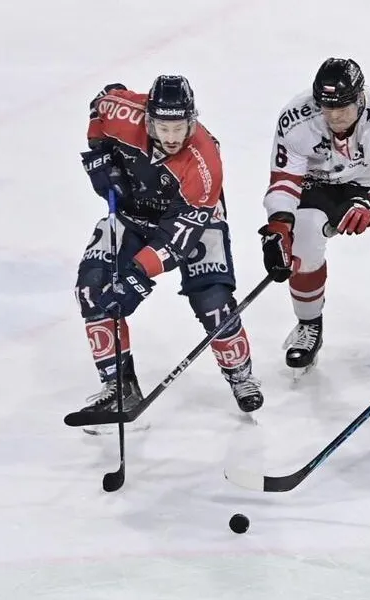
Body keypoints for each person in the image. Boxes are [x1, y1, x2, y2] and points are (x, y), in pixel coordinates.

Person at [76, 75, 263, 432]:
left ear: (192, 121)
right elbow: (100, 104)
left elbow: (178, 240)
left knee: (213, 299)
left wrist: (138, 273)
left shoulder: (204, 165)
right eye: (163, 126)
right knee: (92, 288)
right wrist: (99, 156)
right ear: (148, 119)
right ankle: (119, 386)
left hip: (193, 220)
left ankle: (240, 374)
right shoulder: (123, 114)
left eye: (180, 127)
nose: (172, 136)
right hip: (133, 214)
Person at [258, 57, 370, 375]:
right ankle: (308, 326)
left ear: (360, 97)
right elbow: (284, 180)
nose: (333, 116)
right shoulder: (296, 118)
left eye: (342, 107)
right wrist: (279, 224)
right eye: (326, 107)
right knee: (302, 239)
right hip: (322, 185)